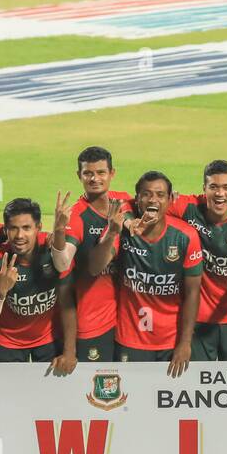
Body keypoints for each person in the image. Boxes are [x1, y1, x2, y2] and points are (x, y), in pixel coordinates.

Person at [87, 171, 202, 375]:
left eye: (160, 195)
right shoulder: (121, 229)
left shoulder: (186, 236)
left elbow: (193, 292)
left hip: (170, 339)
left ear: (170, 200)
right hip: (130, 338)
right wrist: (113, 231)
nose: (153, 200)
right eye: (147, 194)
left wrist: (185, 343)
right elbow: (94, 267)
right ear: (137, 198)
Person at [166, 160, 227, 361]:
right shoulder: (188, 207)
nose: (220, 194)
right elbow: (146, 203)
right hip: (198, 317)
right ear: (204, 189)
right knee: (197, 385)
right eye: (214, 187)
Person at [0, 198, 77, 371]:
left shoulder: (54, 251)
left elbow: (67, 304)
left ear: (38, 228)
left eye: (26, 228)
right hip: (8, 342)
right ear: (5, 230)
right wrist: (0, 292)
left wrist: (69, 352)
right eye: (13, 228)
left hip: (48, 339)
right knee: (10, 397)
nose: (19, 236)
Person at [61, 146, 133, 362]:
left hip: (126, 322)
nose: (94, 178)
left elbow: (154, 203)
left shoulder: (123, 200)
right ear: (79, 176)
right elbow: (88, 267)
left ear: (112, 173)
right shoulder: (76, 216)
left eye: (101, 172)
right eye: (88, 173)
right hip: (92, 323)